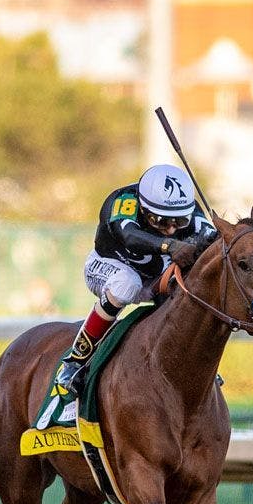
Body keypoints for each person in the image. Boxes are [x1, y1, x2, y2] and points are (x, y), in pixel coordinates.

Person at [54, 163, 218, 395]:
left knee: (188, 283)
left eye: (180, 222)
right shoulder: (123, 201)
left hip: (155, 276)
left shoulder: (190, 211)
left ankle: (193, 361)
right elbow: (129, 235)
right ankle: (75, 361)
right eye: (161, 221)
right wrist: (170, 246)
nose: (172, 229)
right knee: (127, 284)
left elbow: (212, 241)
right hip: (109, 266)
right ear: (143, 208)